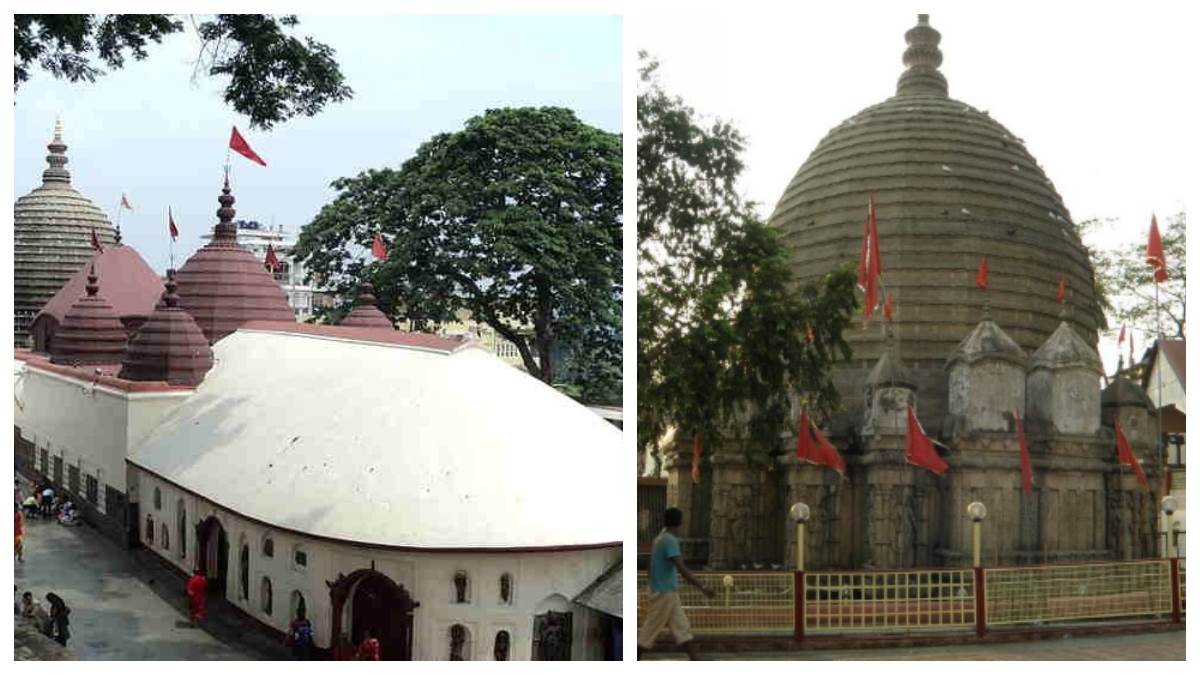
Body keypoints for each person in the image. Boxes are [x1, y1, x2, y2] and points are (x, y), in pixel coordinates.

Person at [637, 507, 714, 660]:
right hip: (664, 592)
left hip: (665, 590)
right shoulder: (670, 541)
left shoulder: (659, 538)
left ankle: (695, 659)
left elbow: (650, 566)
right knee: (648, 632)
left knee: (682, 628)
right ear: (678, 522)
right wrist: (702, 587)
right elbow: (681, 568)